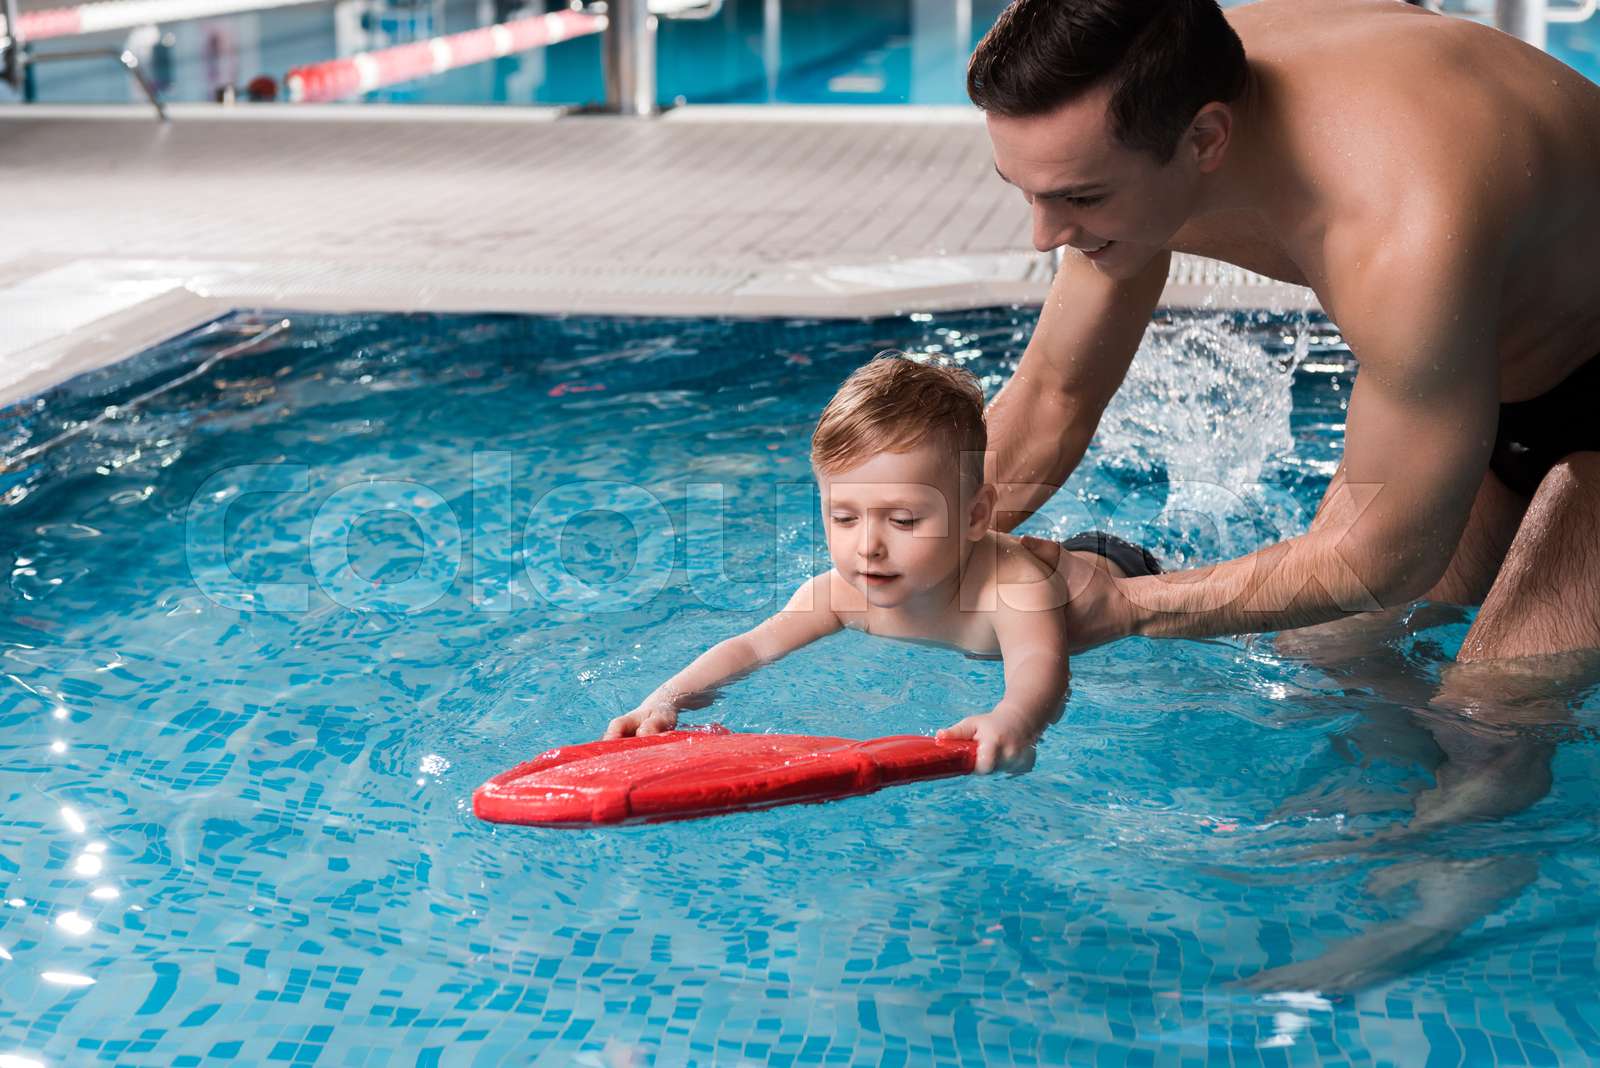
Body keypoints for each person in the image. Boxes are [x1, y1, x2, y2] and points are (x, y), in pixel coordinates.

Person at [969, 0, 1600, 664]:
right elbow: (1054, 396)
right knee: (1325, 652)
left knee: (1495, 703)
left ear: (1206, 140)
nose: (1045, 236)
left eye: (1081, 197)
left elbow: (1385, 558)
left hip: (1540, 361)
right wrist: (916, 546)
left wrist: (1128, 604)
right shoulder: (1154, 94)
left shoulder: (1397, 221)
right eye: (1027, 191)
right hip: (1480, 381)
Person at [603, 354, 1161, 774]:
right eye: (845, 518)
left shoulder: (1011, 585)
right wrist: (665, 699)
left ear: (976, 515)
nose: (868, 546)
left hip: (1113, 567)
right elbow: (752, 647)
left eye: (903, 520)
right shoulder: (843, 594)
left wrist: (1016, 717)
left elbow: (1041, 664)